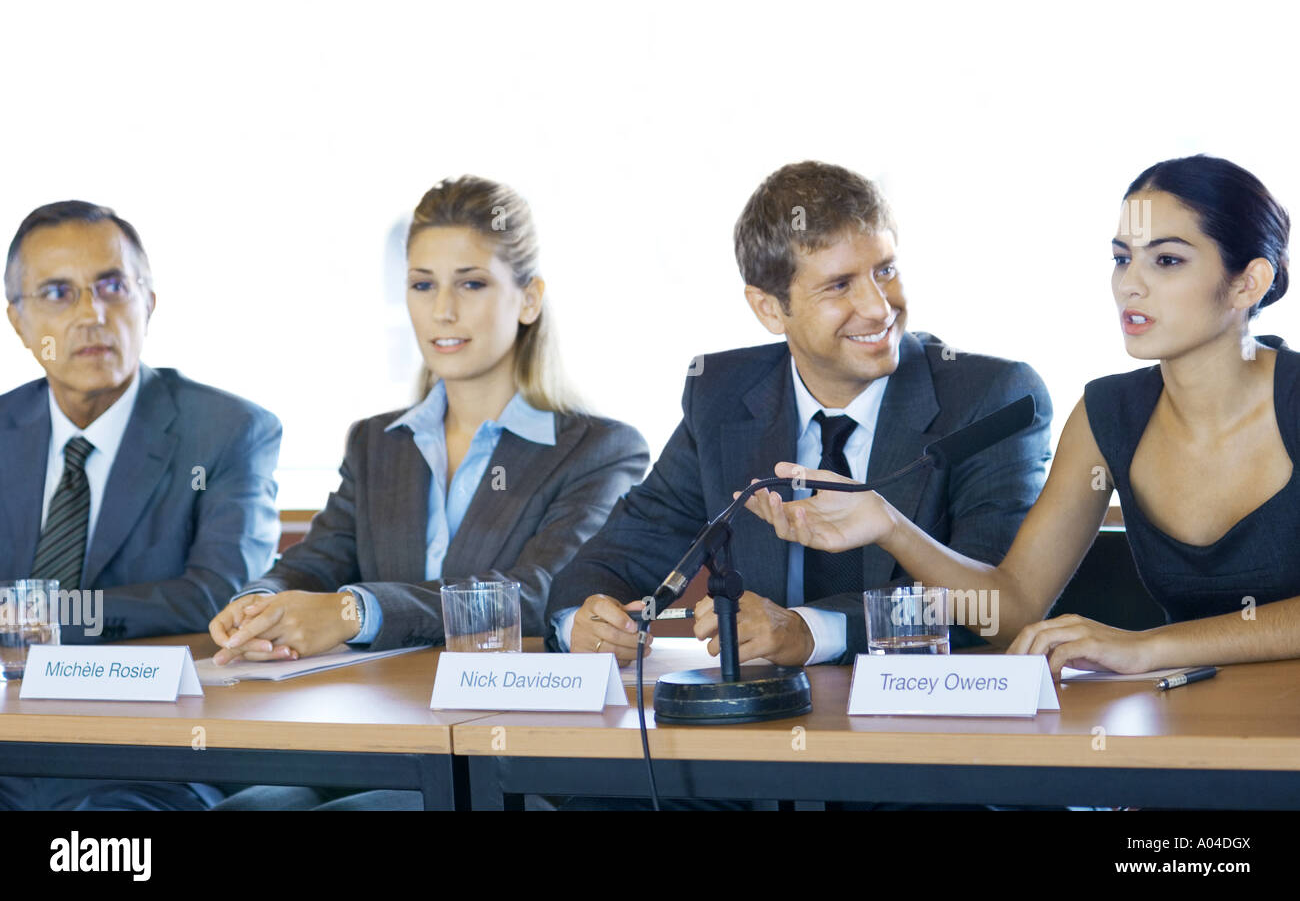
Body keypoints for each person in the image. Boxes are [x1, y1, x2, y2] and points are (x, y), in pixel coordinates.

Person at [744, 154, 1300, 675]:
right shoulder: (1107, 414)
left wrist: (1146, 645)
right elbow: (1011, 611)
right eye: (1122, 258)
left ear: (1247, 282)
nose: (1130, 284)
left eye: (1168, 260)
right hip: (1200, 723)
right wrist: (890, 527)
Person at [207, 174, 648, 809]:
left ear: (528, 299)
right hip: (380, 735)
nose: (443, 310)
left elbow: (539, 595)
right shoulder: (376, 443)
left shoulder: (599, 448)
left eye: (471, 283)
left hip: (514, 755)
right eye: (422, 285)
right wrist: (259, 604)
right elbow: (318, 561)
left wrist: (353, 611)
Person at [546, 160, 1053, 667]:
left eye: (886, 271)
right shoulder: (722, 396)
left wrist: (809, 630)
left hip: (928, 724)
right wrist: (583, 622)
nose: (878, 308)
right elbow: (621, 553)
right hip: (773, 727)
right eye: (839, 285)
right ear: (769, 309)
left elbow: (990, 605)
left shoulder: (991, 399)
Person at [0, 200, 282, 810]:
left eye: (112, 286)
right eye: (57, 292)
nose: (91, 314)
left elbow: (215, 595)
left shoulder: (228, 430)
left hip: (150, 754)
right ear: (19, 323)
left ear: (148, 302)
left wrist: (37, 613)